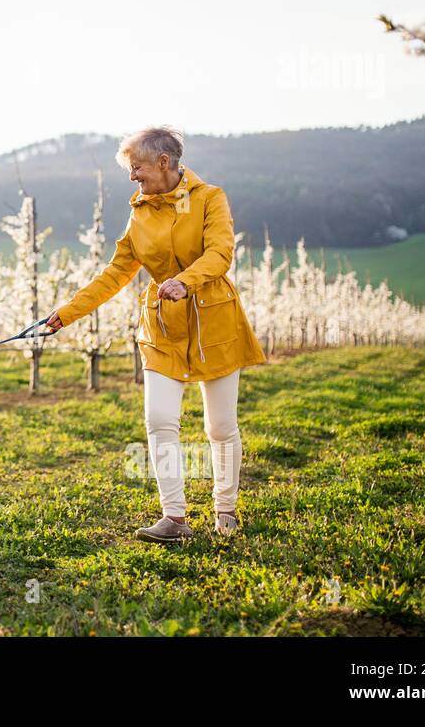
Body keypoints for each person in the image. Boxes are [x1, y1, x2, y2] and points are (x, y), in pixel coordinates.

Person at [45, 125, 266, 542]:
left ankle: (226, 508)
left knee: (220, 427)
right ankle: (175, 519)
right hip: (162, 326)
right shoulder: (140, 211)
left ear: (164, 163)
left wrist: (187, 280)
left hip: (212, 321)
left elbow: (220, 253)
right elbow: (116, 271)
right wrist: (67, 313)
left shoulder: (209, 199)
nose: (133, 177)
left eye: (137, 168)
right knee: (160, 419)